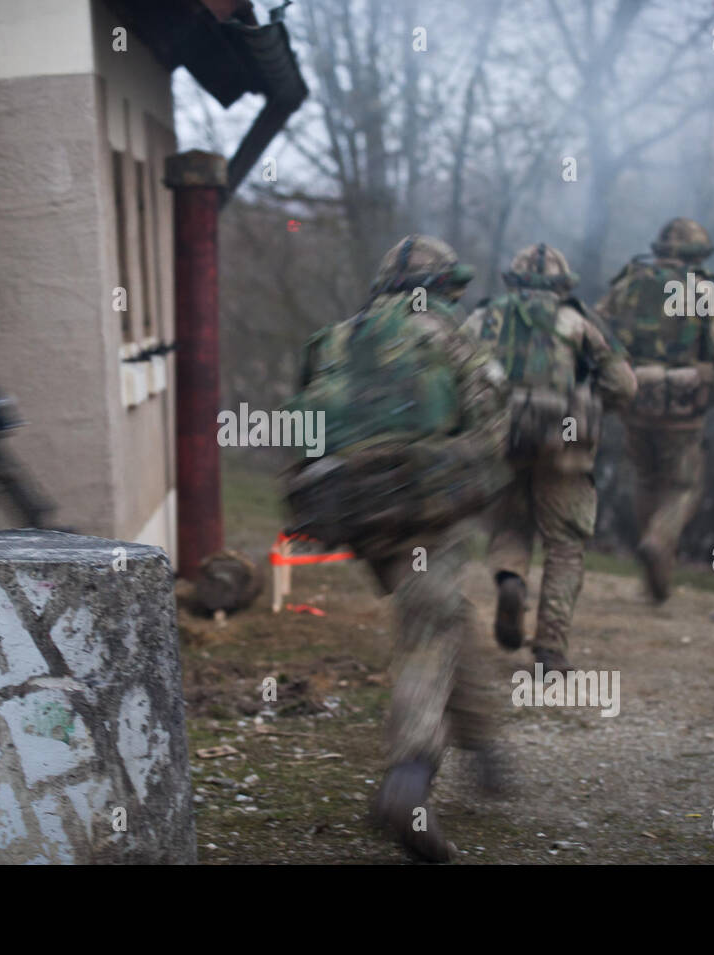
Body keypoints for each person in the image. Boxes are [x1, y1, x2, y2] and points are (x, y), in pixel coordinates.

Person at [283, 235, 514, 862]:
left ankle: (486, 748)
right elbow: (493, 422)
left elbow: (301, 429)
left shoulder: (333, 339)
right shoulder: (448, 333)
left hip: (355, 513)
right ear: (441, 287)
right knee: (428, 623)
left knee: (434, 612)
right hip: (427, 506)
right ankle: (408, 779)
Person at [464, 243, 635, 673]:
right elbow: (624, 384)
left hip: (500, 442)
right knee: (564, 544)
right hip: (564, 444)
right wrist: (590, 402)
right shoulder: (578, 321)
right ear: (563, 285)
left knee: (509, 524)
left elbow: (453, 371)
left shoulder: (483, 317)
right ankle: (550, 649)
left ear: (512, 281)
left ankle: (511, 581)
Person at [596, 218, 714, 601]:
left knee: (645, 477)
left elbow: (597, 334)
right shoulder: (706, 289)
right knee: (682, 484)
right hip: (683, 404)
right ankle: (660, 543)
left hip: (635, 398)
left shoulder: (627, 283)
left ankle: (654, 567)